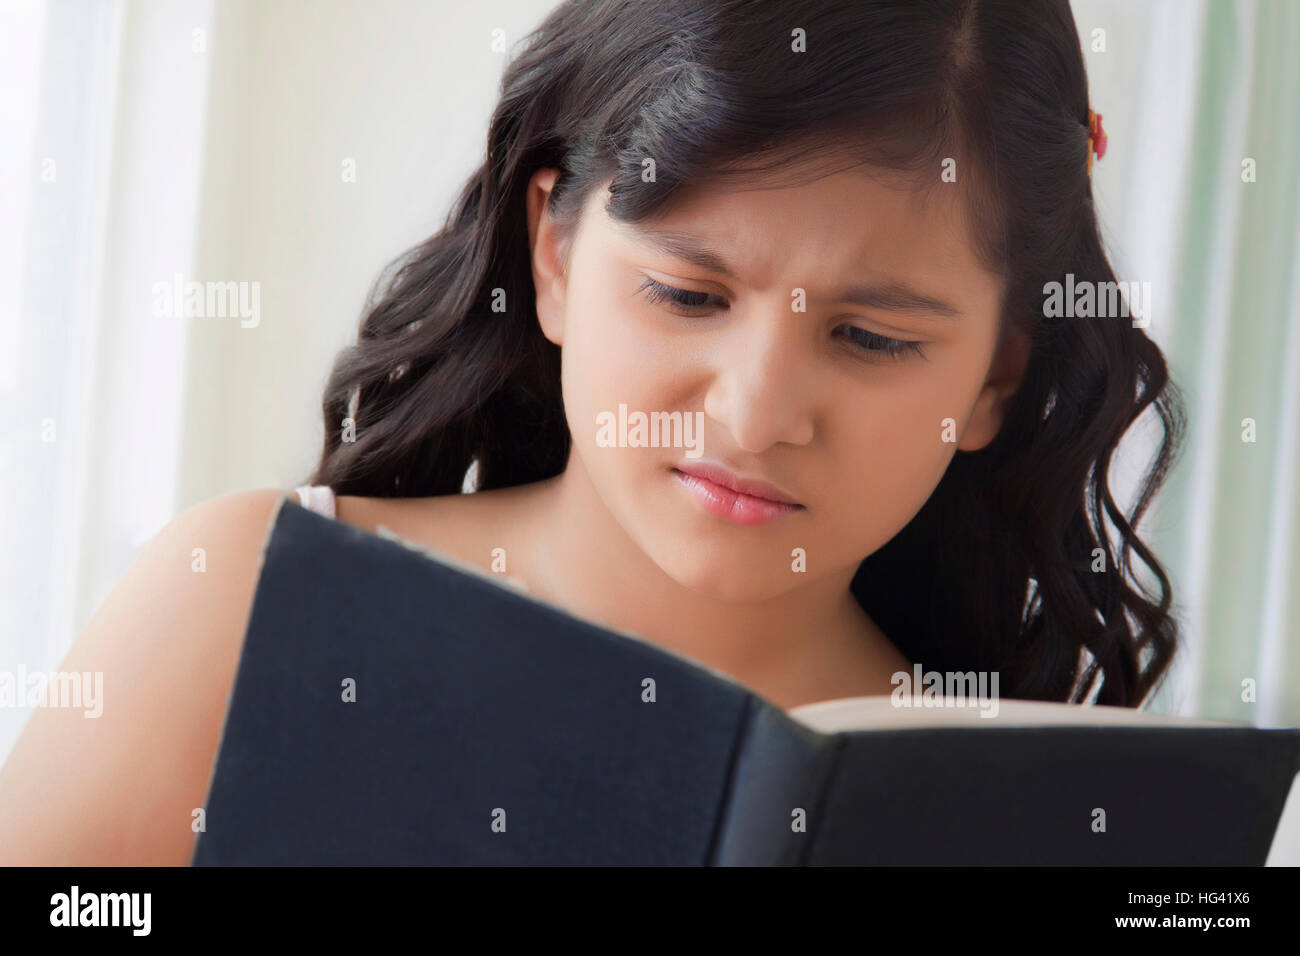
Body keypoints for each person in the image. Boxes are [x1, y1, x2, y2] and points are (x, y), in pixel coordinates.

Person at [0, 0, 1185, 865]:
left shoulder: (1013, 811)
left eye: (873, 339)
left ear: (991, 382)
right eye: (686, 294)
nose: (756, 413)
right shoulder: (246, 597)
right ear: (554, 256)